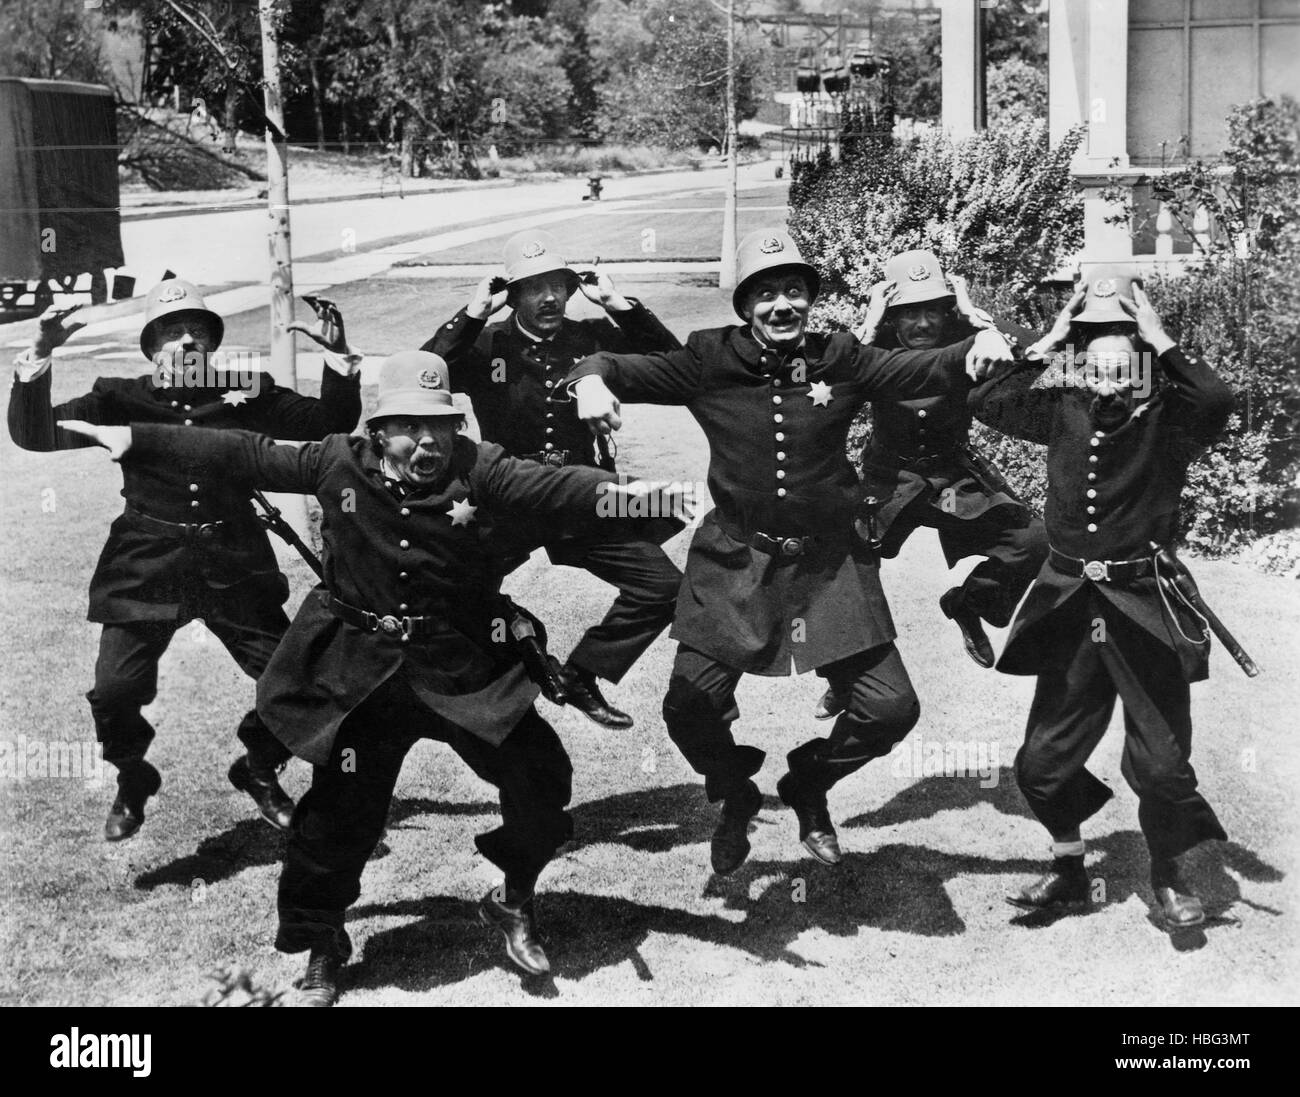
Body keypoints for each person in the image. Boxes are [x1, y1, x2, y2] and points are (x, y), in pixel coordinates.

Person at [59, 350, 688, 1003]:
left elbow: (552, 485)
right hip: (360, 673)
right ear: (380, 431)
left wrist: (620, 492)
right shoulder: (338, 461)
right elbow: (243, 450)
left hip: (460, 666)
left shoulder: (482, 466)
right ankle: (321, 941)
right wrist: (138, 435)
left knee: (541, 779)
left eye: (440, 426)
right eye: (410, 427)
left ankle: (512, 899)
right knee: (335, 816)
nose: (428, 442)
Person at [566, 230, 1015, 874]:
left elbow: (927, 366)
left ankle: (808, 783)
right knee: (689, 706)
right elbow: (606, 363)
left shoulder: (842, 356)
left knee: (891, 709)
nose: (783, 306)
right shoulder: (705, 359)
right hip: (735, 562)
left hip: (828, 567)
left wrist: (986, 335)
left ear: (810, 300)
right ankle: (734, 790)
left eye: (795, 292)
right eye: (768, 293)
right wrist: (590, 383)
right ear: (746, 305)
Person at [7, 280, 361, 841]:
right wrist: (42, 352)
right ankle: (132, 774)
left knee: (300, 682)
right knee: (116, 691)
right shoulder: (118, 395)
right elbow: (34, 434)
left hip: (233, 563)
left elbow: (325, 424)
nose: (188, 342)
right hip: (146, 565)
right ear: (151, 347)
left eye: (198, 331)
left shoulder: (246, 390)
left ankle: (258, 766)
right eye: (172, 332)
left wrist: (338, 359)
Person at [973, 268, 1234, 928]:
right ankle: (1067, 866)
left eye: (1123, 340)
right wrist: (1051, 335)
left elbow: (1217, 398)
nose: (1107, 357)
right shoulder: (1059, 399)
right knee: (1040, 766)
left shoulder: (1171, 413)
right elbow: (988, 395)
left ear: (1144, 350)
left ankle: (1169, 873)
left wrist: (1161, 336)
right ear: (1077, 352)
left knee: (1164, 768)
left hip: (1143, 605)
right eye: (1093, 341)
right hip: (1069, 608)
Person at [422, 229, 684, 730]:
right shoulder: (485, 344)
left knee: (663, 586)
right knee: (446, 591)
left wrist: (619, 305)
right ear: (511, 294)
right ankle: (521, 640)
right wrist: (472, 314)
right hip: (504, 497)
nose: (548, 298)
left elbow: (673, 367)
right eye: (533, 287)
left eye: (558, 285)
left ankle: (584, 675)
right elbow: (425, 373)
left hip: (580, 497)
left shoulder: (592, 339)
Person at [830, 250, 1050, 691]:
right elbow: (823, 387)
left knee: (1032, 540)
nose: (924, 324)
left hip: (954, 477)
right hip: (889, 481)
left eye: (933, 310)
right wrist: (867, 327)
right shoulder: (874, 349)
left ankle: (968, 604)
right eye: (910, 313)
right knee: (844, 565)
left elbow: (1043, 359)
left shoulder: (970, 343)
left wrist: (980, 321)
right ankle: (846, 674)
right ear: (892, 316)